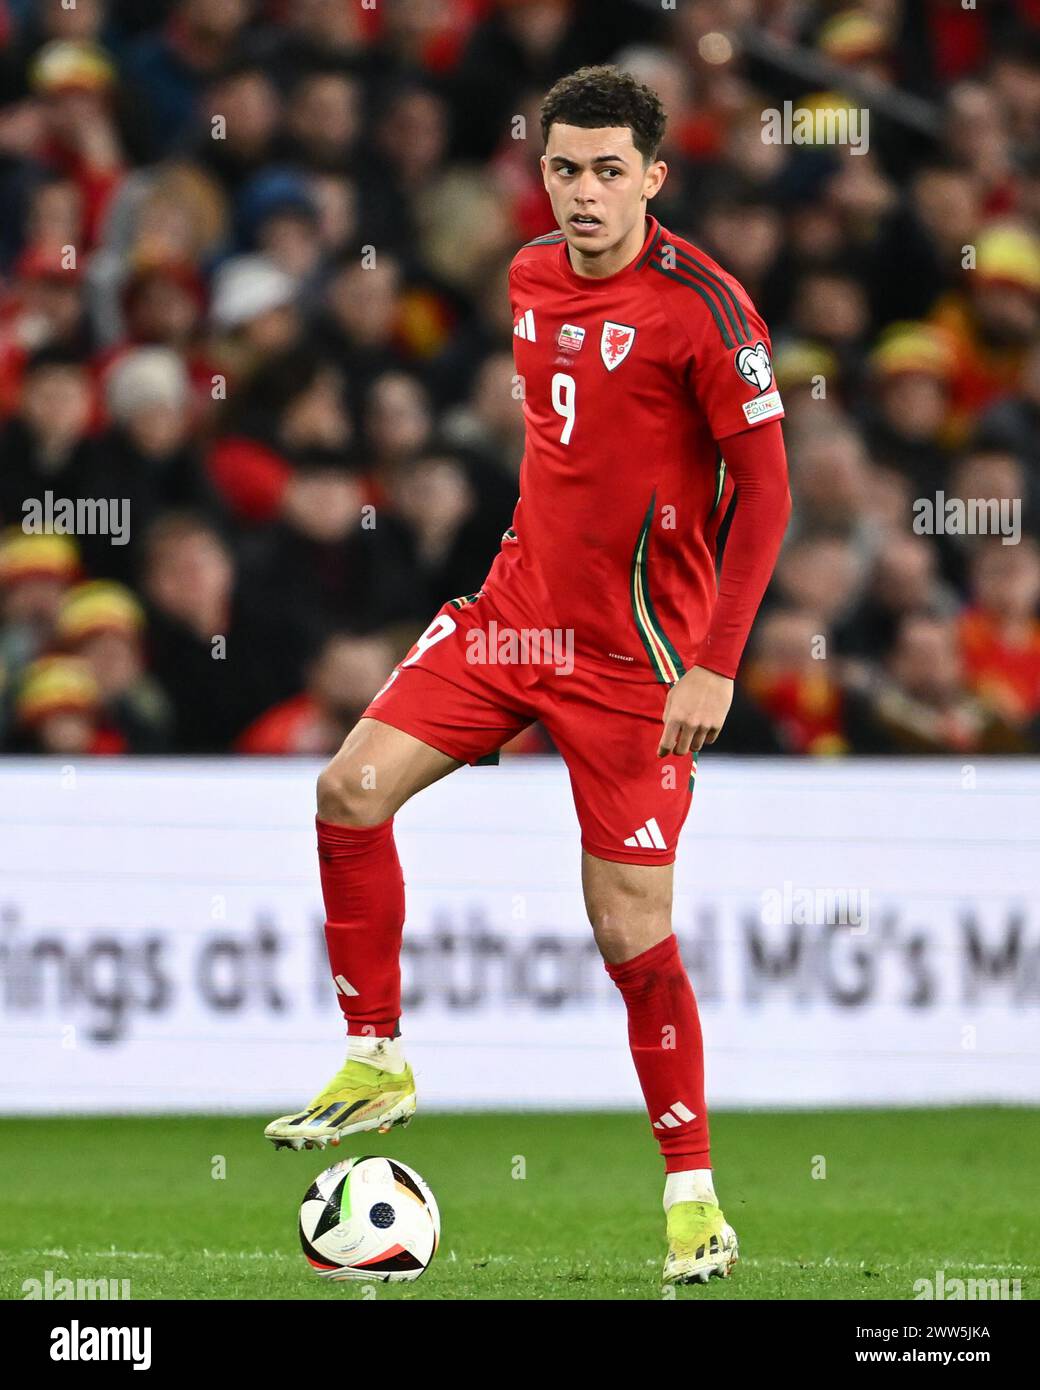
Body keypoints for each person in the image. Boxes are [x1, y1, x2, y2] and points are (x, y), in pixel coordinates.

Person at [265, 66, 791, 1287]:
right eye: (565, 169)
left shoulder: (706, 311)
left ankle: (690, 1196)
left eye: (610, 171)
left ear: (654, 178)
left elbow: (763, 491)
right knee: (347, 792)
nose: (584, 195)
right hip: (514, 621)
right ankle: (377, 1059)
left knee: (626, 927)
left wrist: (713, 662)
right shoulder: (526, 277)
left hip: (637, 664)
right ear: (539, 172)